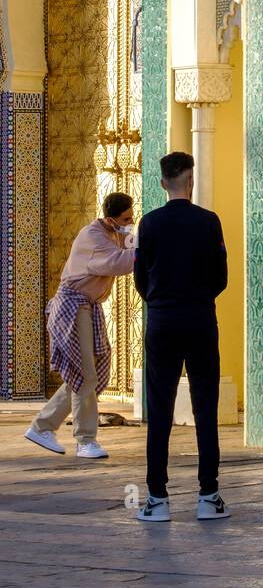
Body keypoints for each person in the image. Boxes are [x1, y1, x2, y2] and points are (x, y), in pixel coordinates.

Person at [133, 152, 229, 523]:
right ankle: (209, 495)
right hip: (200, 319)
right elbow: (220, 277)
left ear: (163, 183)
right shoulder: (209, 222)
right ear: (191, 181)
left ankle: (157, 498)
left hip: (162, 321)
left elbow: (141, 276)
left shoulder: (149, 224)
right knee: (205, 406)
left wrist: (160, 300)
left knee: (160, 410)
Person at [25, 193, 136, 460]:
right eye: (126, 219)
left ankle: (42, 426)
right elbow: (119, 263)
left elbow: (127, 251)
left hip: (87, 307)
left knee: (84, 374)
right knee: (85, 375)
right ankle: (85, 440)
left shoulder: (114, 234)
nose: (130, 223)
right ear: (110, 219)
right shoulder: (93, 236)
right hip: (73, 307)